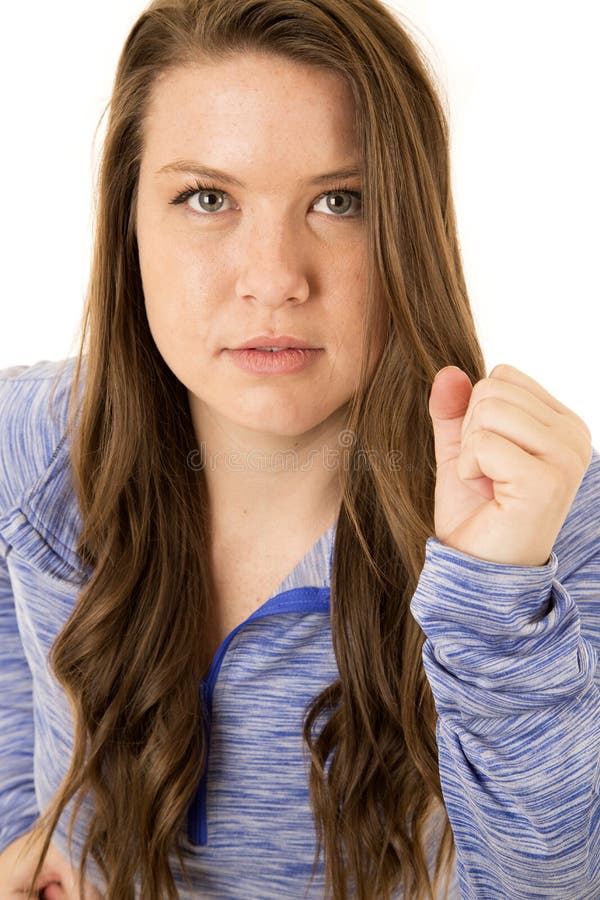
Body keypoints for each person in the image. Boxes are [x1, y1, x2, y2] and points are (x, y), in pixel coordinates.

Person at [0, 0, 598, 897]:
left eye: (339, 201)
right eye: (208, 199)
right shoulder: (33, 438)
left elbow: (552, 882)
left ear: (410, 227)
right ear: (128, 223)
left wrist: (494, 596)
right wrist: (20, 828)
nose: (275, 279)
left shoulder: (545, 524)